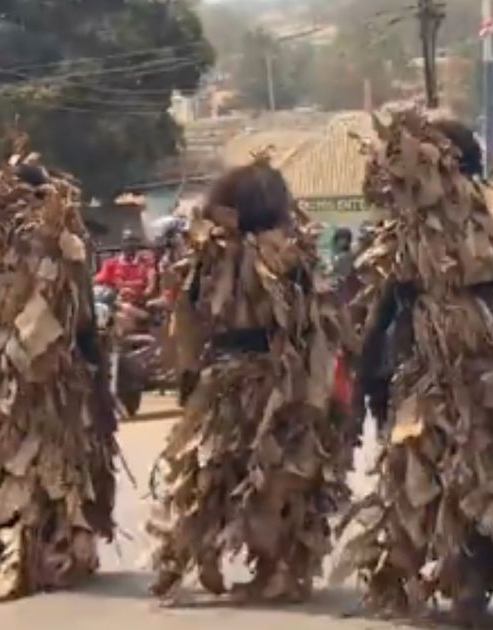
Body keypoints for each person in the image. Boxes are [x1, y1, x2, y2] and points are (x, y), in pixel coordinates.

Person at [339, 112, 493, 626]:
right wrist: (371, 380)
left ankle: (472, 591)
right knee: (442, 481)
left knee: (491, 480)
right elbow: (389, 306)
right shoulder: (409, 232)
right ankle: (465, 588)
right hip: (433, 377)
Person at [147, 157, 352, 603]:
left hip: (225, 376)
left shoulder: (213, 254)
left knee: (209, 472)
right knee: (271, 479)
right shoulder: (291, 255)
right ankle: (274, 568)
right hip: (278, 379)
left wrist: (188, 378)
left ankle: (181, 557)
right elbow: (315, 322)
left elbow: (191, 317)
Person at [0, 151, 117, 600]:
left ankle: (23, 552)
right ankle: (32, 552)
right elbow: (82, 321)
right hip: (32, 375)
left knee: (18, 462)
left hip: (21, 375)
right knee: (37, 464)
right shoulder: (19, 241)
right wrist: (96, 376)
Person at [94, 228, 156, 303]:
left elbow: (150, 288)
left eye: (132, 242)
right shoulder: (111, 264)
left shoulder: (146, 264)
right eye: (126, 242)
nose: (129, 245)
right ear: (121, 245)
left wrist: (140, 295)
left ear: (137, 246)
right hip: (116, 302)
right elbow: (98, 281)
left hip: (139, 302)